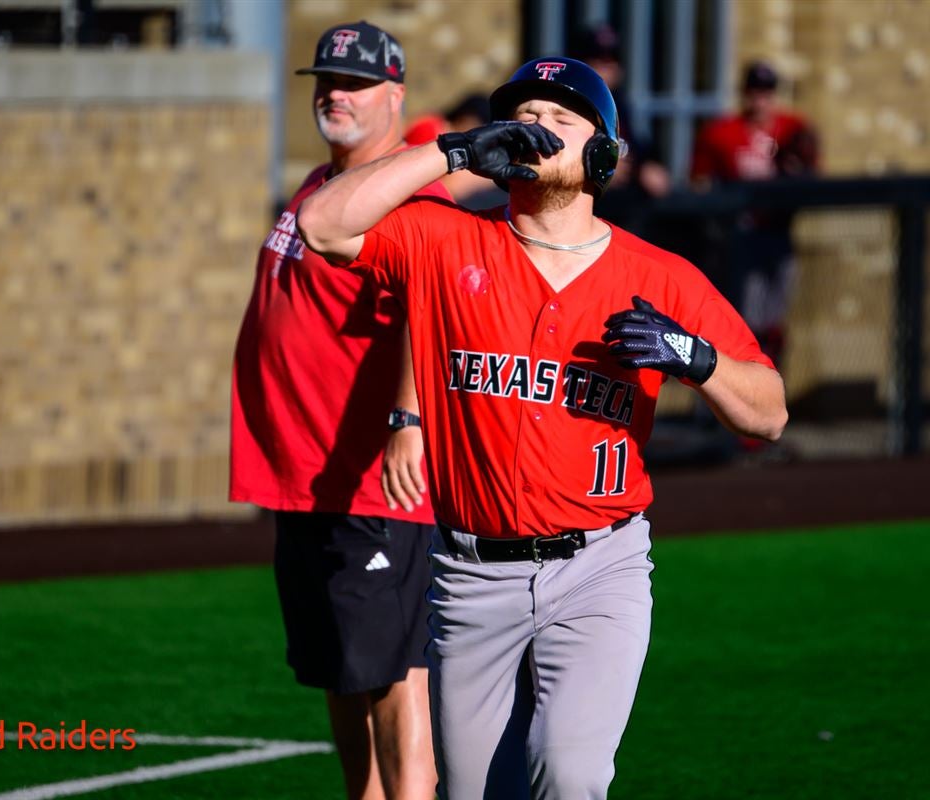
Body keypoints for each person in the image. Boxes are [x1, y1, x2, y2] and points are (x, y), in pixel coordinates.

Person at [298, 56, 787, 798]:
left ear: (602, 154)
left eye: (560, 119)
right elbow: (321, 224)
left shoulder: (659, 275)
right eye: (522, 118)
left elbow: (770, 411)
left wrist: (697, 357)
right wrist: (454, 152)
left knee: (570, 773)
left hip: (601, 566)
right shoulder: (444, 239)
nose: (536, 129)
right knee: (471, 789)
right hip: (468, 575)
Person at [229, 20, 446, 800]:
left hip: (372, 483)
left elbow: (434, 311)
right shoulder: (322, 184)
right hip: (306, 474)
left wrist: (408, 422)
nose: (334, 95)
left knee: (395, 676)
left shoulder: (406, 193)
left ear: (396, 95)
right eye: (326, 80)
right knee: (340, 670)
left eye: (353, 83)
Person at [691, 60, 820, 364]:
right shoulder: (723, 132)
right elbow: (698, 181)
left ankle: (773, 381)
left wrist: (798, 172)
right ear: (744, 93)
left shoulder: (792, 128)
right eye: (754, 91)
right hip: (739, 236)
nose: (760, 99)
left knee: (774, 321)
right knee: (745, 320)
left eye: (767, 91)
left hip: (779, 232)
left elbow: (814, 174)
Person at [570, 23, 671, 234]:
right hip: (583, 206)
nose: (607, 70)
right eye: (597, 61)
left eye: (612, 61)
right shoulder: (570, 105)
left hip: (623, 206)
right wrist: (596, 169)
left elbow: (636, 147)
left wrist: (646, 166)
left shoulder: (618, 103)